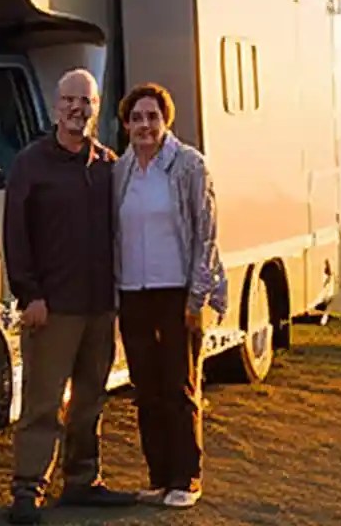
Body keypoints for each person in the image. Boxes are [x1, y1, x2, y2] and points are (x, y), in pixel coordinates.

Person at [2, 68, 136, 524]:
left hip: (100, 306)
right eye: (70, 101)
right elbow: (16, 235)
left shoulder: (108, 165)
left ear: (97, 108)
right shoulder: (30, 163)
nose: (78, 109)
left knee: (90, 400)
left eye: (87, 102)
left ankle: (82, 481)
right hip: (51, 308)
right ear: (56, 106)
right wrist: (29, 295)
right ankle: (27, 489)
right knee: (42, 403)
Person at [112, 81, 227, 509]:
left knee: (180, 386)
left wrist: (197, 296)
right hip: (133, 294)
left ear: (166, 121)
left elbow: (206, 232)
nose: (145, 125)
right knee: (146, 389)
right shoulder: (120, 171)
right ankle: (159, 479)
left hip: (177, 292)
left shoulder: (189, 166)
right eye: (137, 118)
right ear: (126, 124)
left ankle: (187, 479)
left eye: (152, 117)